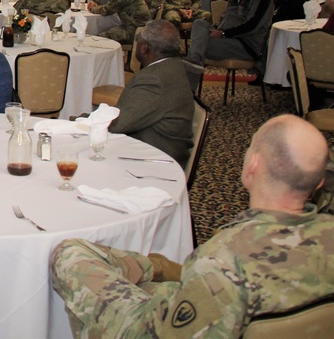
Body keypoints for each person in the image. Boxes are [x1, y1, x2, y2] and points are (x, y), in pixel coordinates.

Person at [51, 114, 334, 338]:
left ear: (252, 167)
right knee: (151, 272)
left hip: (162, 327)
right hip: (228, 304)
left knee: (69, 253)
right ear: (319, 182)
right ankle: (158, 266)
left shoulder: (223, 259)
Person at [108, 21, 194, 166]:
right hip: (163, 148)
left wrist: (79, 123)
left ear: (144, 48)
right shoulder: (174, 67)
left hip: (154, 159)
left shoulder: (154, 79)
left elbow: (118, 124)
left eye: (138, 40)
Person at [186, 0, 274, 82]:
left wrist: (223, 34)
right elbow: (225, 17)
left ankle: (189, 87)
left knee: (199, 46)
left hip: (245, 44)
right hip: (225, 39)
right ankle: (194, 63)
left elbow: (253, 25)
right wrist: (216, 29)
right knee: (199, 23)